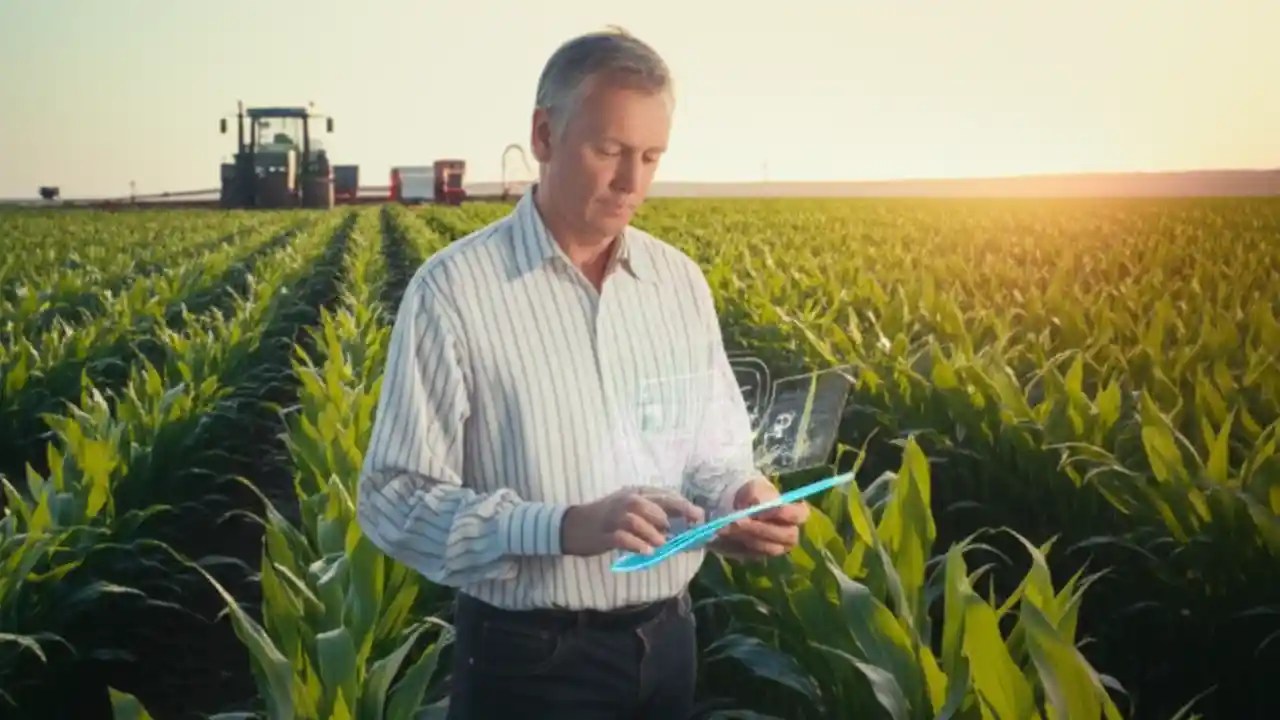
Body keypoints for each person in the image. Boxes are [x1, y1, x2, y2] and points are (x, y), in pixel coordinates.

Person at [355, 27, 810, 720]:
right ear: (544, 135)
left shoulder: (678, 283)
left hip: (668, 644)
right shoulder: (454, 292)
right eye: (610, 151)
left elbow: (713, 454)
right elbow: (394, 499)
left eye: (651, 157)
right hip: (528, 661)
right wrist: (560, 527)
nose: (633, 182)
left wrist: (739, 499)